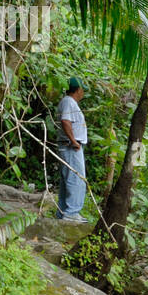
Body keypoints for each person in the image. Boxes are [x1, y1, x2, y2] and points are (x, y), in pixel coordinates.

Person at [55, 77, 88, 222]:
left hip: (68, 146)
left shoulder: (68, 102)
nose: (83, 93)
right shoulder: (69, 101)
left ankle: (63, 212)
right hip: (71, 147)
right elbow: (65, 121)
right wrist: (74, 141)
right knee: (76, 179)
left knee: (67, 179)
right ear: (78, 90)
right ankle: (72, 213)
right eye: (83, 90)